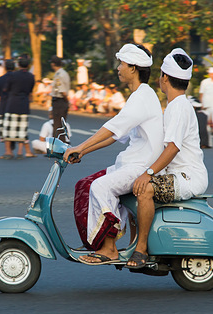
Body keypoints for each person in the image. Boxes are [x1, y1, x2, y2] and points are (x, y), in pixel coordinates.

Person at [63, 43, 164, 265]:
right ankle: (96, 242)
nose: (118, 68)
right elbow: (116, 135)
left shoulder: (142, 97)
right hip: (129, 163)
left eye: (122, 64)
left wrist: (79, 146)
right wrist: (84, 151)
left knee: (100, 186)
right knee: (84, 184)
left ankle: (109, 249)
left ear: (134, 68)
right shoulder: (140, 95)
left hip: (141, 167)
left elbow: (113, 127)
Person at [126, 48, 208, 268]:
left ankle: (141, 250)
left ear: (164, 78)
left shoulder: (178, 107)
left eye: (160, 76)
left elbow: (172, 149)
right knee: (133, 183)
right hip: (178, 173)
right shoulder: (176, 106)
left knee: (145, 188)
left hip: (187, 177)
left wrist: (148, 173)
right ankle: (135, 243)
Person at [2, 54, 36, 159]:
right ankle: (20, 152)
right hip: (24, 104)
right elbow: (30, 90)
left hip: (12, 104)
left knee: (8, 130)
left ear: (18, 65)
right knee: (22, 130)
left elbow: (5, 89)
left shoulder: (13, 75)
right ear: (28, 65)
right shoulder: (31, 76)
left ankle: (9, 152)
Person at [0, 59, 16, 157]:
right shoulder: (18, 79)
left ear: (5, 68)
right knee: (16, 129)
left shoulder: (0, 79)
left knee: (5, 129)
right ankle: (18, 151)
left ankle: (8, 151)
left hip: (4, 107)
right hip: (16, 106)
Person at [50, 55, 71, 141]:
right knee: (60, 125)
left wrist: (67, 101)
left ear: (53, 64)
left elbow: (62, 91)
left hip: (60, 101)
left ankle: (58, 148)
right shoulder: (63, 72)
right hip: (61, 101)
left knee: (58, 125)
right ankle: (59, 146)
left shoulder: (59, 74)